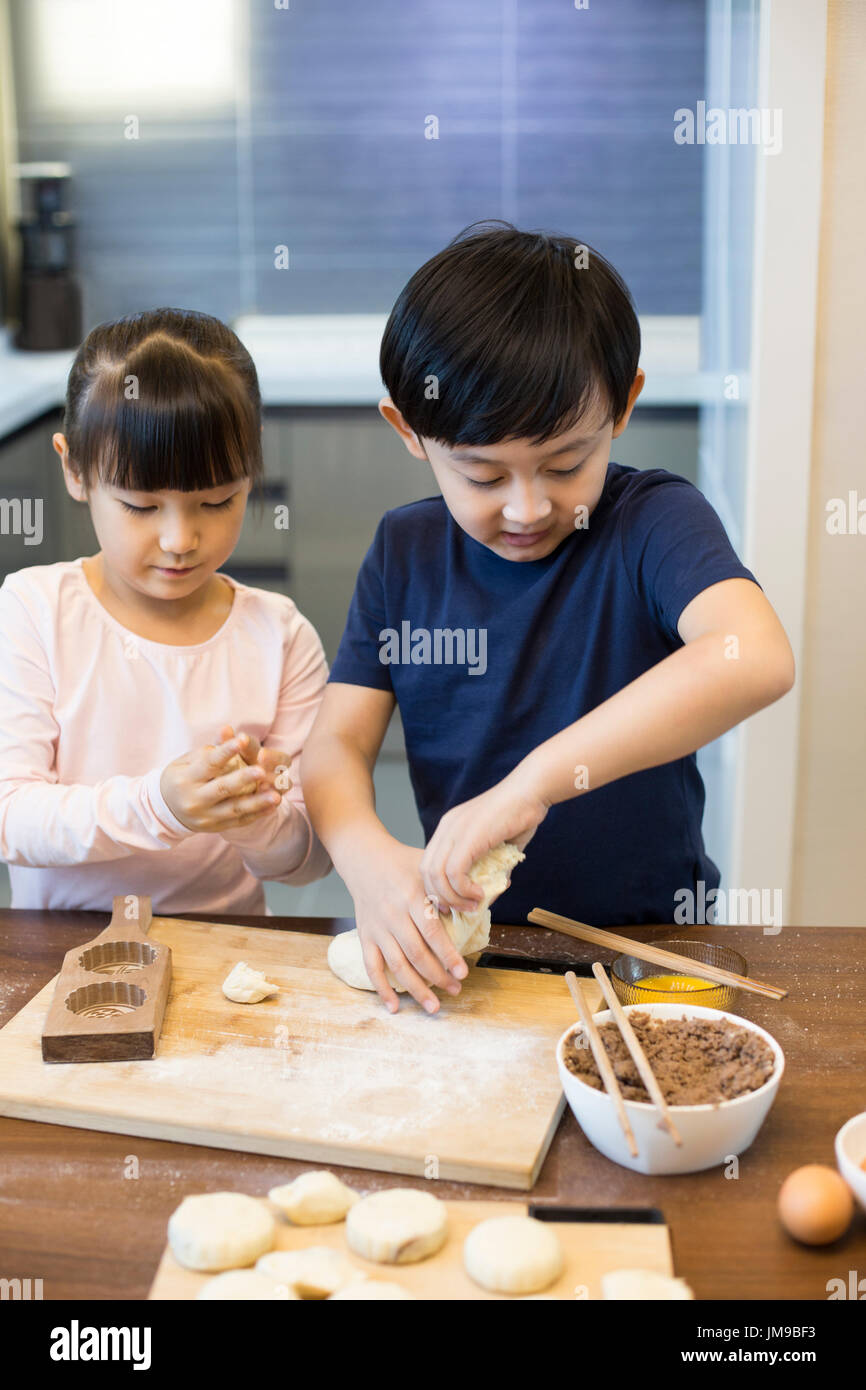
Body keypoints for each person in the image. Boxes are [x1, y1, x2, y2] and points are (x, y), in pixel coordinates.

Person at [301, 222, 795, 1014]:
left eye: (567, 464)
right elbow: (333, 745)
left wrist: (534, 783)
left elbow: (756, 656)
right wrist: (367, 860)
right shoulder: (406, 550)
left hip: (651, 949)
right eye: (483, 474)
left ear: (624, 405)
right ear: (409, 431)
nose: (529, 507)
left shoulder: (652, 522)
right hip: (481, 955)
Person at [0, 307, 330, 913]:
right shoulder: (32, 611)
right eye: (141, 506)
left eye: (217, 500)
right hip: (62, 956)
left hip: (225, 953)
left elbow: (310, 861)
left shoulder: (281, 636)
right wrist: (160, 804)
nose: (180, 539)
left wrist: (254, 815)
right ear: (74, 467)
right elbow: (10, 818)